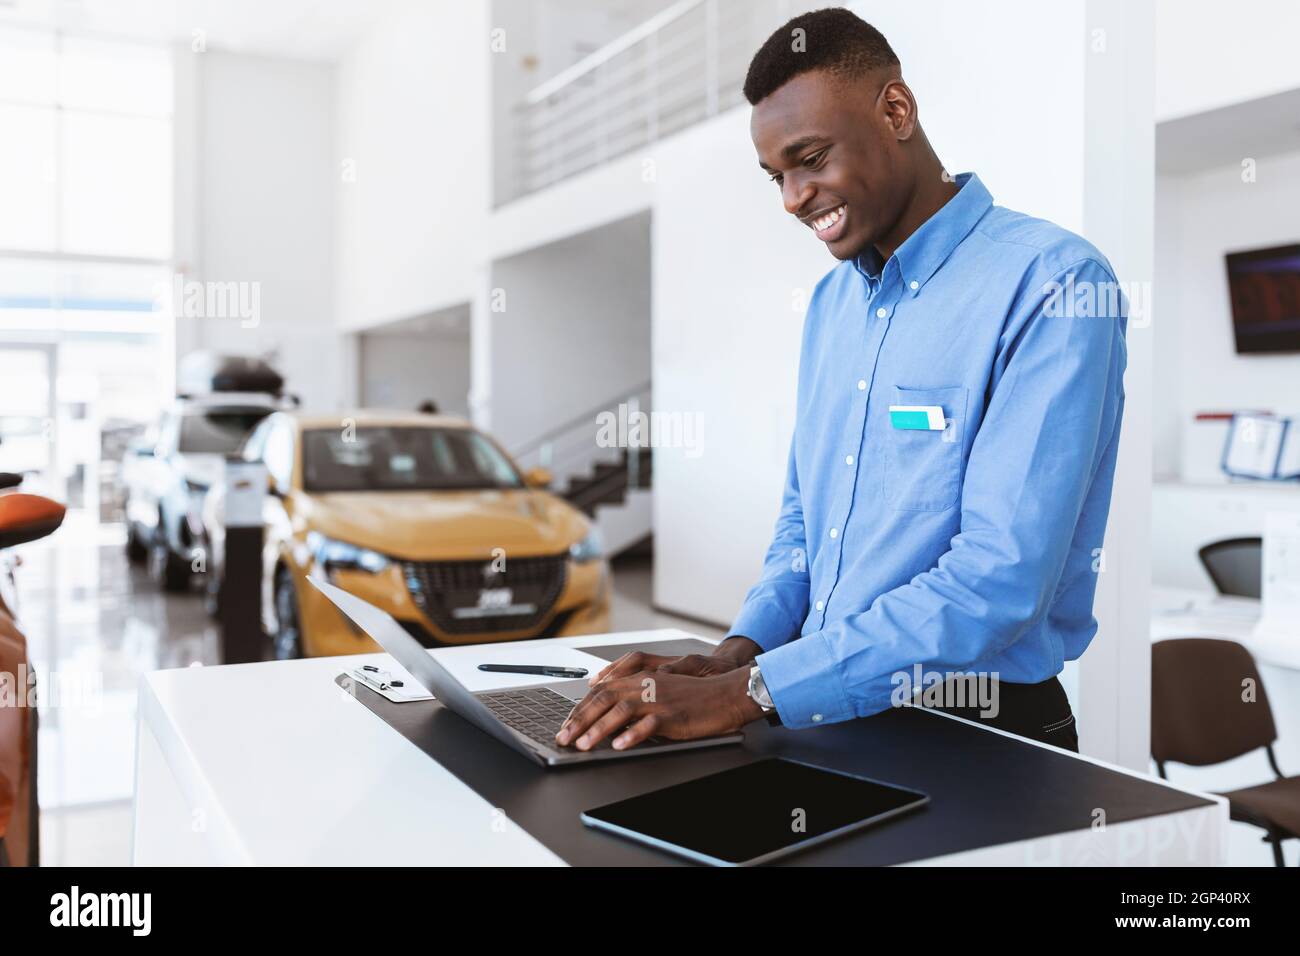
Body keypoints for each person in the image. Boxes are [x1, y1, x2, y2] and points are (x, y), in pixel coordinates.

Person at [557, 8, 1126, 754]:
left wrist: (748, 694)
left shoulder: (1052, 282)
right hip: (818, 707)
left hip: (976, 732)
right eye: (778, 177)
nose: (794, 197)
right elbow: (804, 525)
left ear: (896, 110)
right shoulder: (832, 305)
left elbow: (998, 582)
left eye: (812, 158)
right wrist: (738, 653)